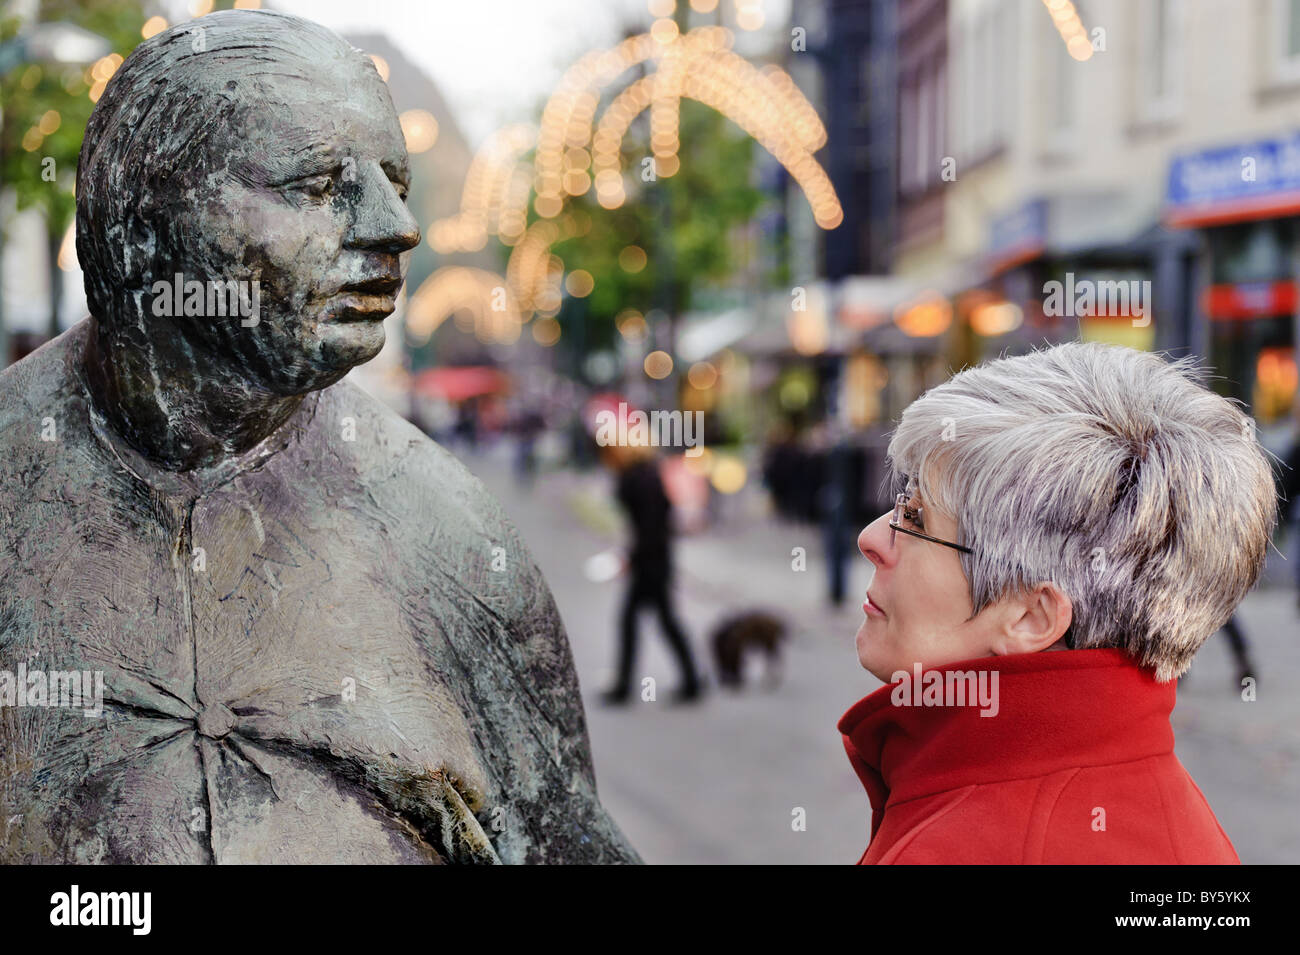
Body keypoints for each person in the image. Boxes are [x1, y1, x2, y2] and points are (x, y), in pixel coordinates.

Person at [0, 9, 638, 864]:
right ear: (144, 224)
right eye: (315, 185)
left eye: (394, 181)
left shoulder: (449, 540)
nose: (394, 226)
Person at [839, 342, 1277, 864]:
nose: (871, 538)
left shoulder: (966, 847)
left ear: (1031, 617)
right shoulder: (1151, 802)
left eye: (916, 520)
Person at [601, 440, 703, 705]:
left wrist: (632, 557)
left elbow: (650, 525)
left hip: (651, 562)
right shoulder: (646, 474)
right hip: (654, 559)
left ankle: (625, 686)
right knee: (662, 621)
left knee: (635, 621)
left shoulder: (640, 478)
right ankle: (691, 681)